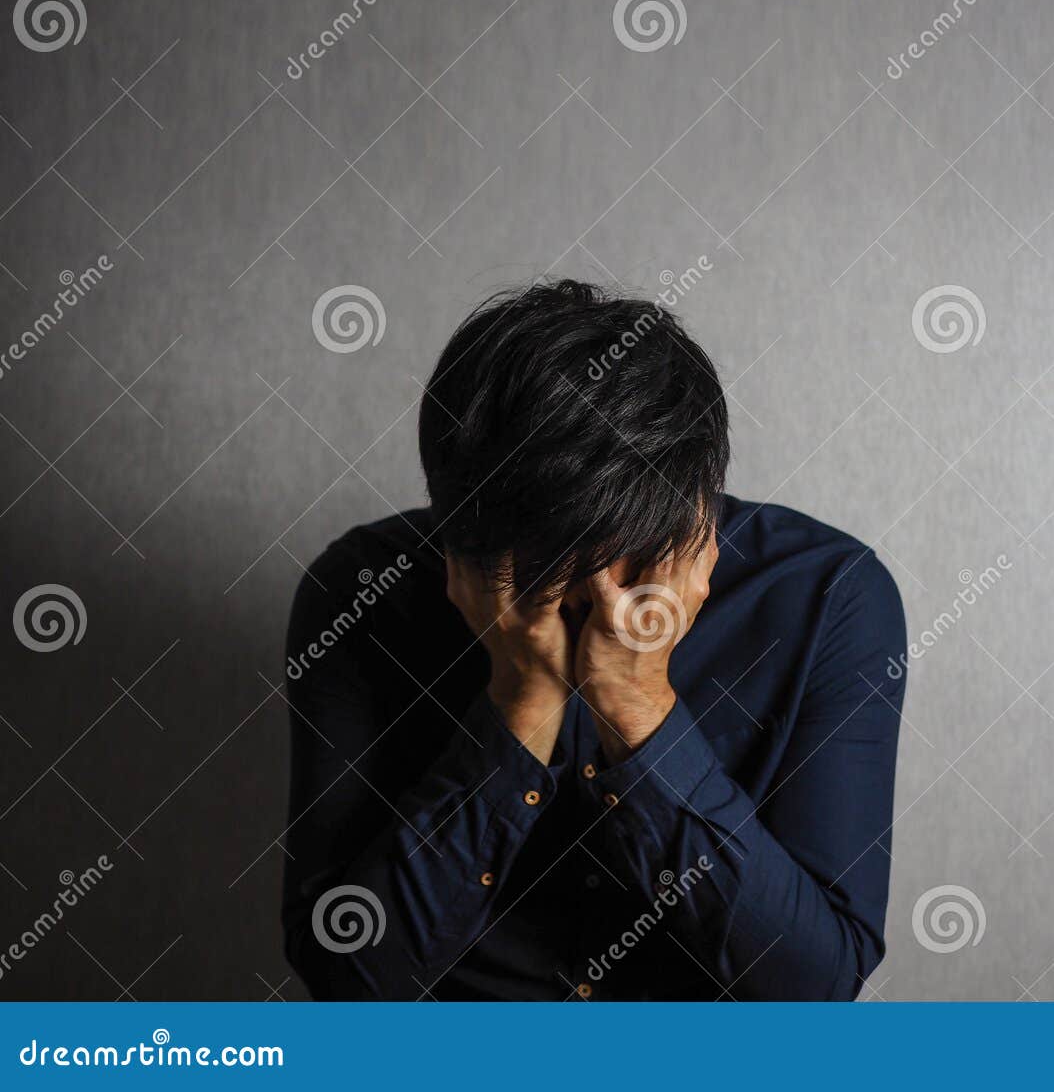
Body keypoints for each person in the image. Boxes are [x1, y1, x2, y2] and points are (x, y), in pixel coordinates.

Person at [281, 279, 907, 1000]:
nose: (588, 602)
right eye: (542, 572)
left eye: (622, 557)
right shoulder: (361, 592)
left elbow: (815, 986)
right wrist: (522, 704)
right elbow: (346, 976)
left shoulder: (829, 597)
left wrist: (639, 708)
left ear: (695, 503)